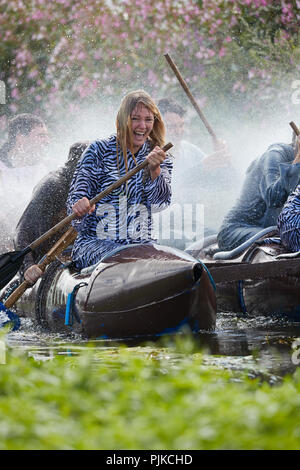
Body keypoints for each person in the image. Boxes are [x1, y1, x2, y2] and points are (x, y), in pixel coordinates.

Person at [66, 90, 173, 271]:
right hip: (95, 244)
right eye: (135, 119)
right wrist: (80, 206)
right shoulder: (98, 150)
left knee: (164, 263)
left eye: (148, 119)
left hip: (141, 246)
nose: (142, 125)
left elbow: (159, 204)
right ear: (123, 120)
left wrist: (155, 170)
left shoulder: (161, 156)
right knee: (130, 259)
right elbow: (74, 205)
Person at [157, 98, 237, 244]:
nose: (179, 131)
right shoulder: (152, 155)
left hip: (191, 225)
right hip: (162, 228)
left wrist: (225, 160)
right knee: (186, 243)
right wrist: (201, 169)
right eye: (172, 127)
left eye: (181, 125)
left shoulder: (190, 151)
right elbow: (169, 189)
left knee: (221, 239)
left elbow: (229, 182)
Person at [14, 142, 89, 284]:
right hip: (47, 261)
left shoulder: (99, 184)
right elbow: (23, 231)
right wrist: (28, 266)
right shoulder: (54, 186)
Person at [217, 134, 300, 251]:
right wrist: (298, 159)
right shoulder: (275, 154)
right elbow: (274, 198)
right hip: (236, 230)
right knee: (288, 239)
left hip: (273, 232)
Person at [0, 113, 50, 250]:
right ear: (21, 138)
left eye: (46, 136)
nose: (47, 141)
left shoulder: (47, 169)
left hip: (32, 243)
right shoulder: (2, 168)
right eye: (40, 136)